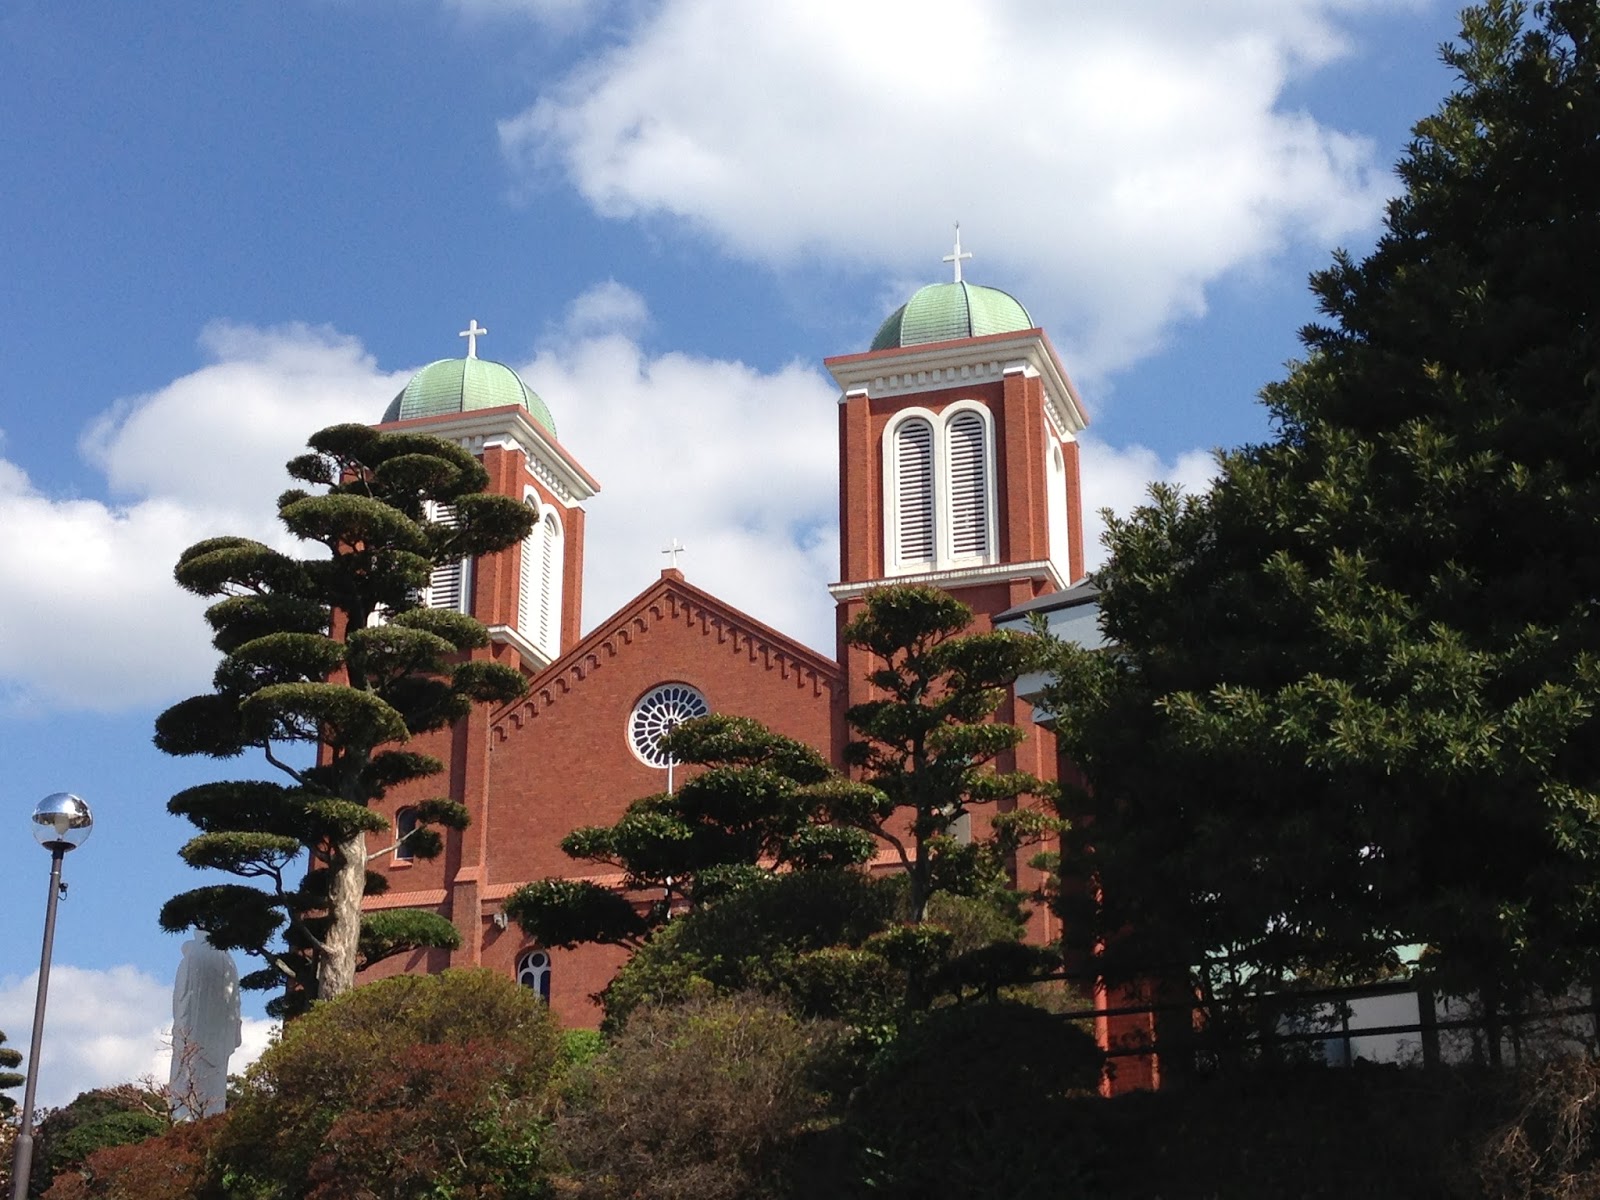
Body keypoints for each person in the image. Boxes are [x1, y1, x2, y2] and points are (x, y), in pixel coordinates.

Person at [169, 933, 242, 1119]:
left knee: (186, 1087)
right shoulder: (229, 961)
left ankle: (184, 1120)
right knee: (214, 1091)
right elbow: (235, 1004)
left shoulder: (190, 961)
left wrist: (179, 1031)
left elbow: (180, 999)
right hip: (220, 1039)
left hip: (191, 1033)